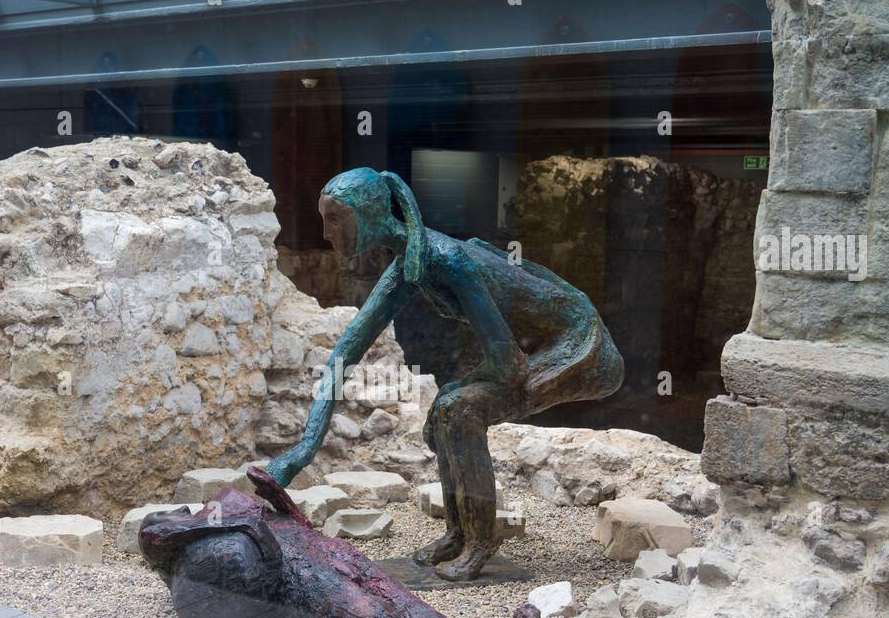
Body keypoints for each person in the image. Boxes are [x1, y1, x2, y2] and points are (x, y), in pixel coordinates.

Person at [266, 168, 624, 581]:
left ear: (369, 216)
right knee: (446, 411)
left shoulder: (447, 260)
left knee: (457, 410)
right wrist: (305, 448)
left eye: (335, 220)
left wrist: (461, 387)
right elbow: (346, 351)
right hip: (540, 345)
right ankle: (459, 533)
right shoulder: (410, 263)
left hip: (580, 344)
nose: (327, 233)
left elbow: (509, 364)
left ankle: (480, 541)